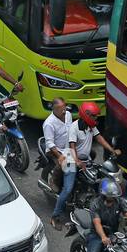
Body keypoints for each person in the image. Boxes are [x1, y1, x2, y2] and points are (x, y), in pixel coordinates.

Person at [42, 97, 81, 230]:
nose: (64, 110)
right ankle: (55, 216)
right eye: (61, 108)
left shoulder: (68, 115)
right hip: (56, 152)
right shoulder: (49, 123)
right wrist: (60, 157)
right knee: (68, 187)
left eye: (65, 107)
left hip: (69, 149)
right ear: (54, 109)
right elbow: (50, 143)